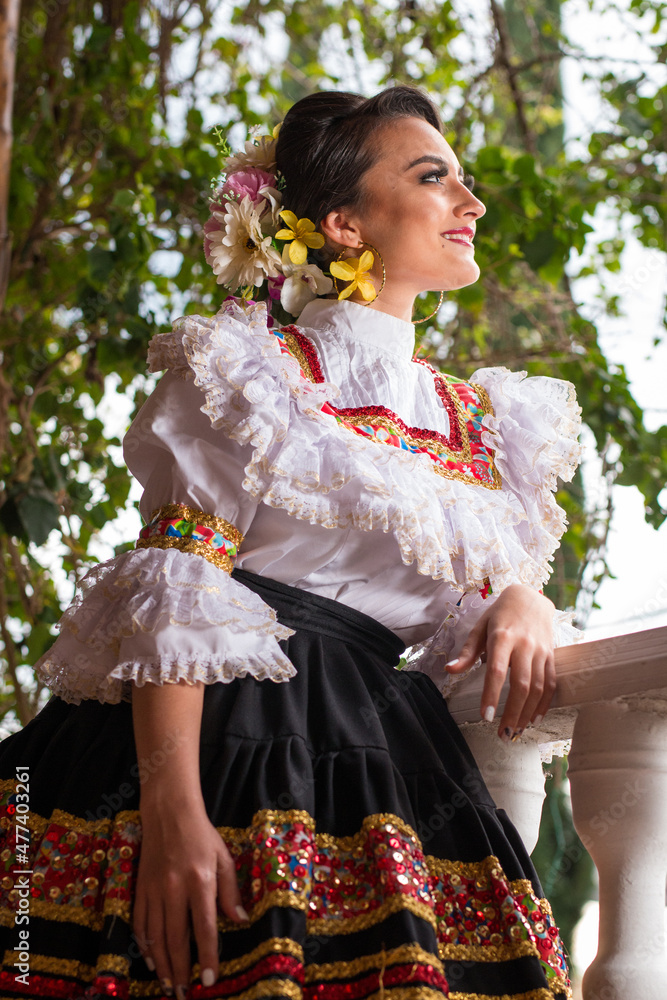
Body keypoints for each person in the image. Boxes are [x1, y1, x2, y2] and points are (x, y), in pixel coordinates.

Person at [0, 85, 580, 1000]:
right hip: (218, 740)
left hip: (380, 751)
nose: (471, 204)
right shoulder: (248, 370)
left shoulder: (481, 422)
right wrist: (173, 815)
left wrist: (522, 595)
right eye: (434, 178)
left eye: (463, 181)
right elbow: (177, 583)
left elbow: (461, 621)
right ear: (344, 225)